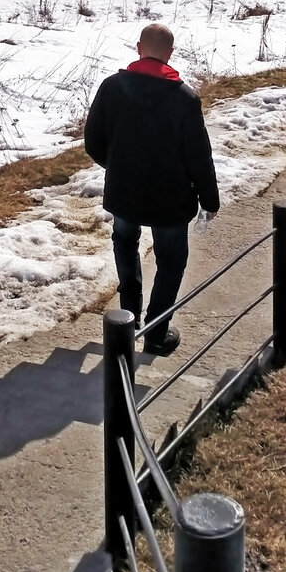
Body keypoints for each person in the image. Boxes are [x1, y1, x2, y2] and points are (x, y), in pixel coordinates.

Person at [84, 23, 219, 355]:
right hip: (170, 201)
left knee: (125, 246)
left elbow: (92, 141)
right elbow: (198, 156)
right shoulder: (185, 98)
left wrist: (116, 168)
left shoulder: (112, 87)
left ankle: (127, 323)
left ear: (139, 48)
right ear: (170, 54)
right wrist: (209, 198)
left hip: (124, 194)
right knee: (171, 262)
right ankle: (156, 334)